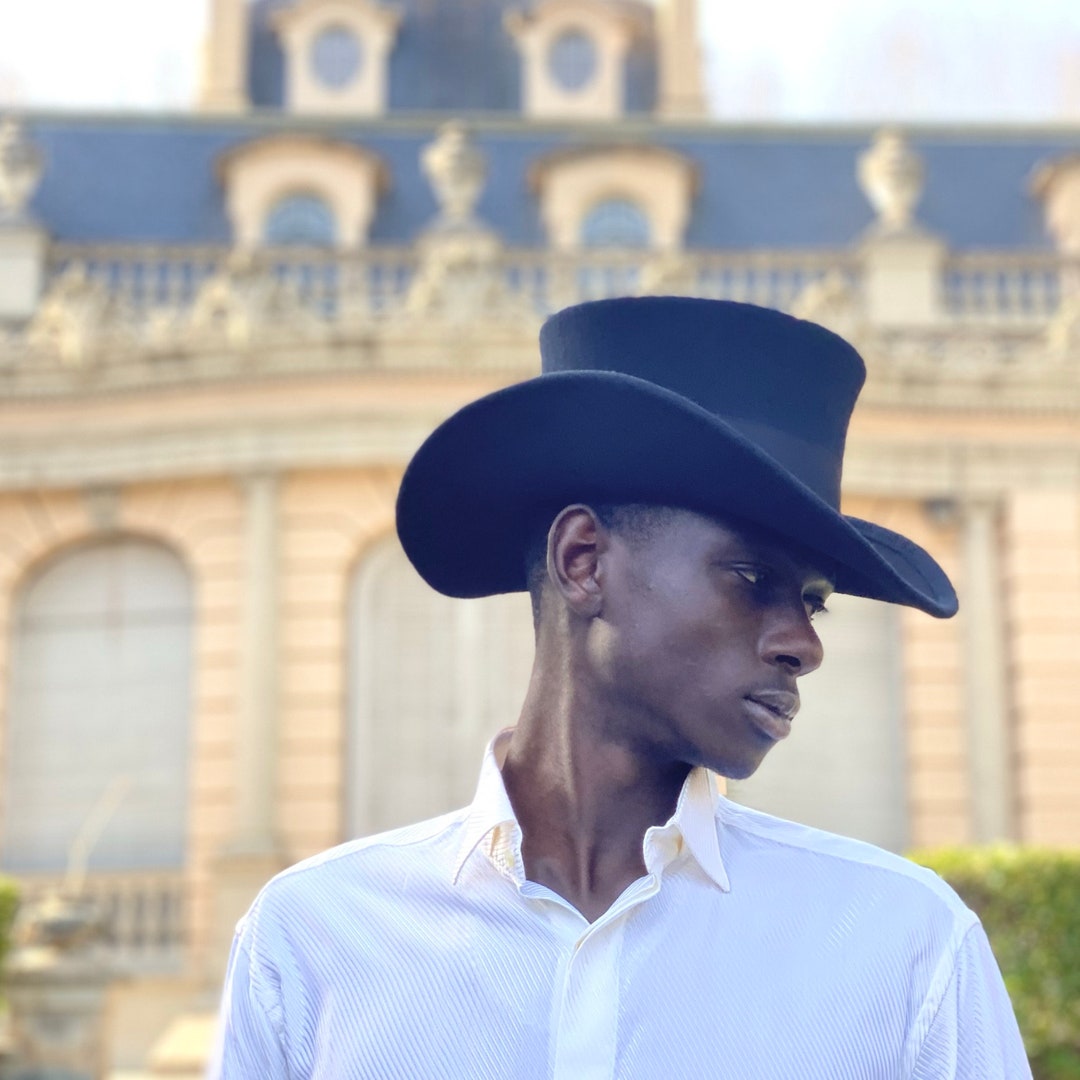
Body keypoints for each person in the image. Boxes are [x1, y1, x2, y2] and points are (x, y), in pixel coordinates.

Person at [211, 297, 1031, 1078]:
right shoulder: (312, 941)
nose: (804, 643)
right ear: (584, 561)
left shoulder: (903, 945)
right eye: (751, 576)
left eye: (813, 602)